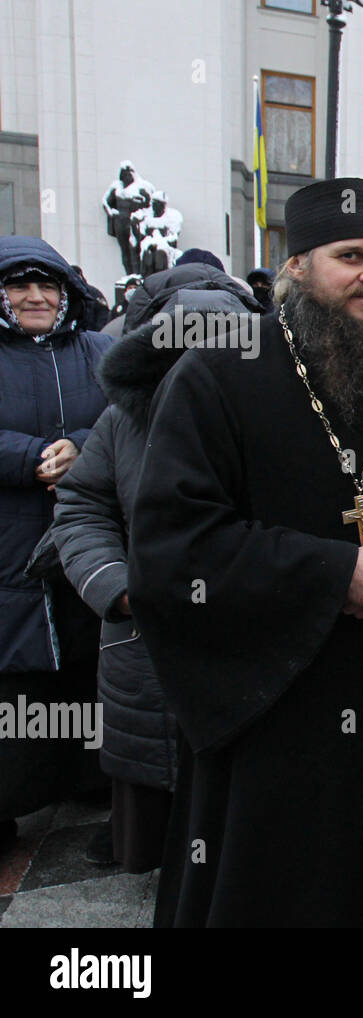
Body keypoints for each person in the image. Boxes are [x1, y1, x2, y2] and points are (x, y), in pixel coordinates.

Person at [126, 177, 363, 926]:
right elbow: (175, 545)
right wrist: (338, 575)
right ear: (295, 265)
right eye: (352, 255)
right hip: (277, 706)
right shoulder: (215, 377)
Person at [51, 281, 265, 872]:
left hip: (248, 636)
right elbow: (82, 505)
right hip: (143, 632)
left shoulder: (278, 421)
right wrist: (113, 585)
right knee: (154, 776)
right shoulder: (122, 422)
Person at [0, 237, 114, 854]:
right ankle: (9, 798)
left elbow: (136, 411)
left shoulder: (99, 350)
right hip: (9, 542)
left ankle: (87, 776)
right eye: (20, 286)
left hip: (83, 539)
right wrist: (30, 458)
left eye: (49, 286)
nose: (37, 297)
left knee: (85, 658)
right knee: (13, 675)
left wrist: (81, 444)